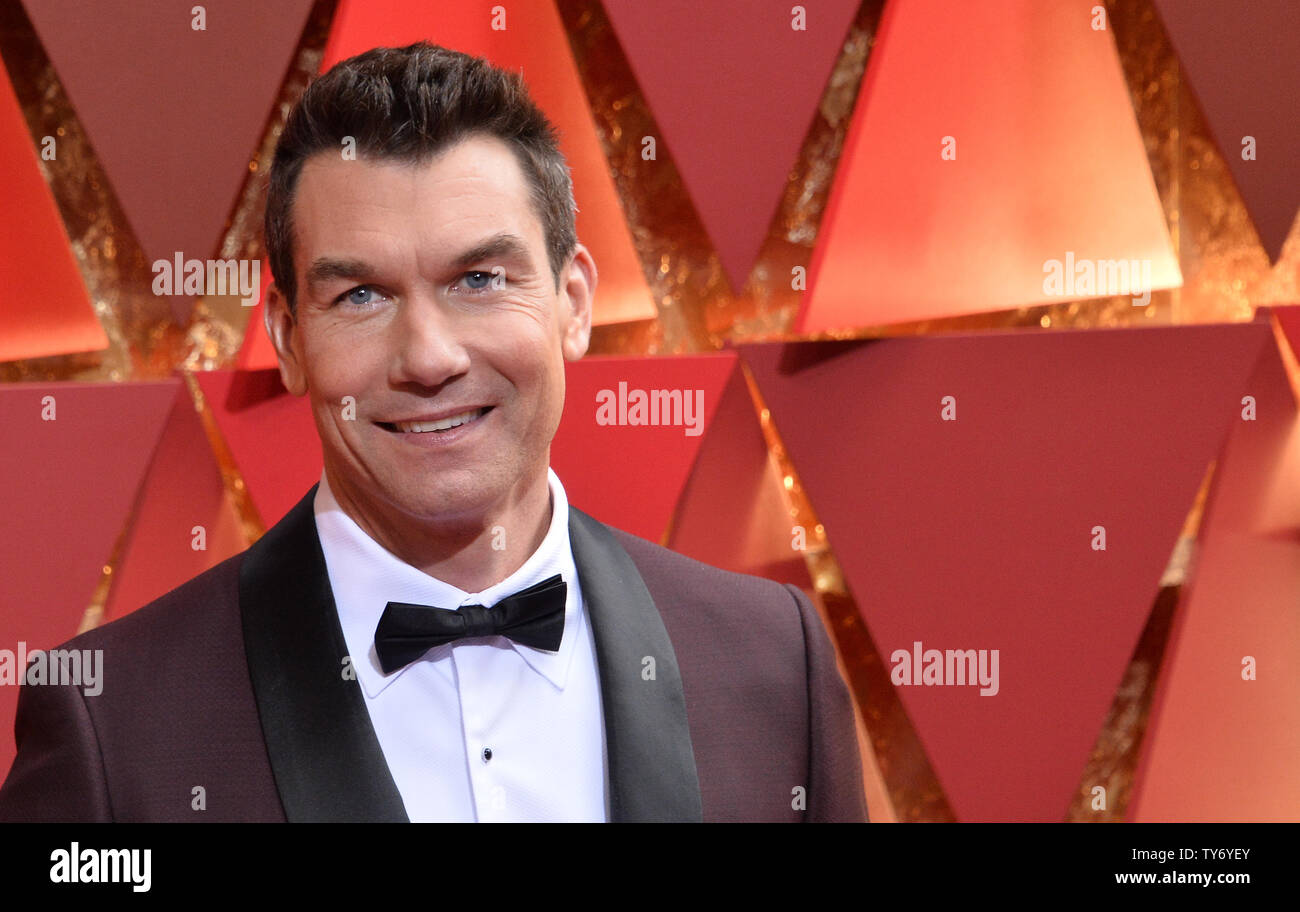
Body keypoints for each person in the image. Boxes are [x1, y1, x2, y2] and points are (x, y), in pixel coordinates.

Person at [0, 42, 867, 822]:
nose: (429, 356)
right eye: (362, 296)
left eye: (480, 278)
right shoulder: (115, 727)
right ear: (291, 340)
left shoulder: (773, 664)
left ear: (573, 304)